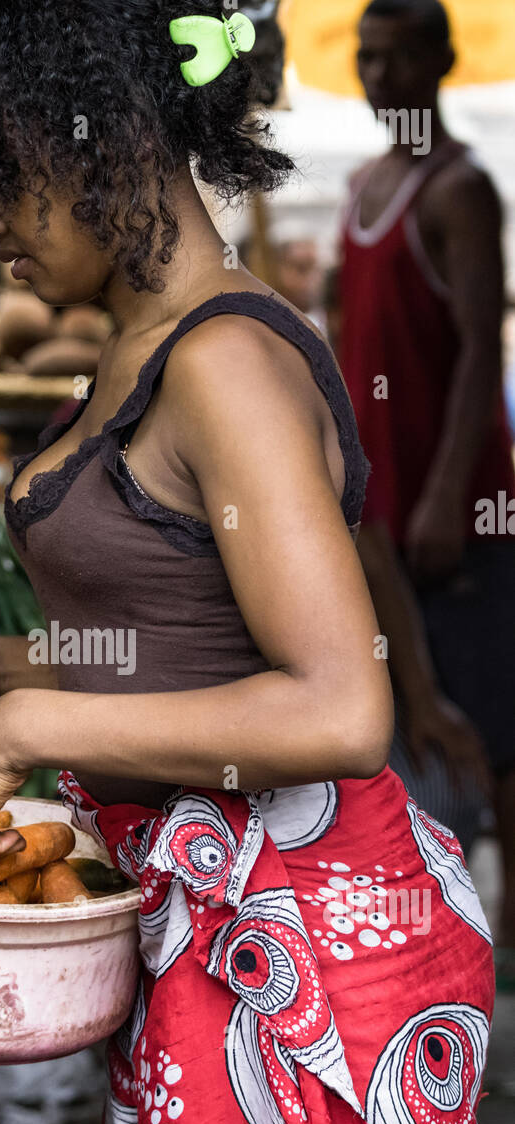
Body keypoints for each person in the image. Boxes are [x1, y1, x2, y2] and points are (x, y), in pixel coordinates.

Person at [0, 0, 493, 1124]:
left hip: (304, 957)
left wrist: (36, 727)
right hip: (212, 936)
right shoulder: (144, 347)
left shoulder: (222, 364)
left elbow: (338, 707)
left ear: (105, 147)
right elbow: (181, 643)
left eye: (4, 176)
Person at [338, 0, 515, 983]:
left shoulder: (459, 192)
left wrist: (449, 490)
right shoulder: (363, 187)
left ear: (436, 64)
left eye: (392, 60)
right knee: (412, 734)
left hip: (463, 521)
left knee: (491, 747)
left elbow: (478, 354)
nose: (374, 78)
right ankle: (427, 958)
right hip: (383, 524)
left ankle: (502, 971)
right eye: (363, 60)